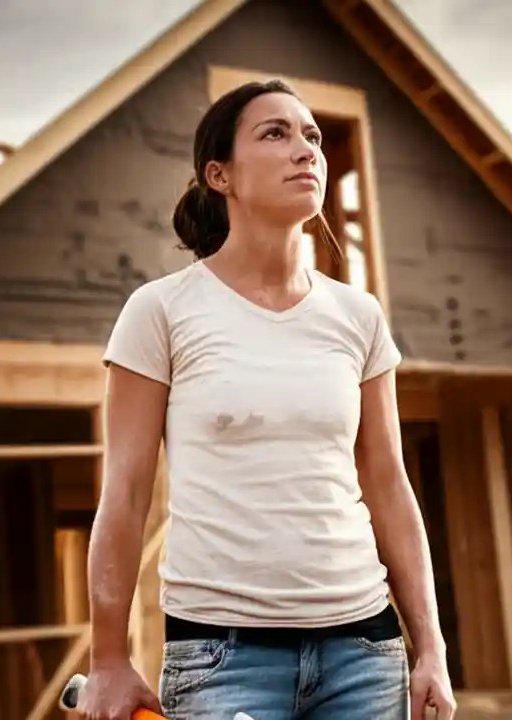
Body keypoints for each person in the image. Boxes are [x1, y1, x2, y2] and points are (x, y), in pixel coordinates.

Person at [78, 79, 455, 720]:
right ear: (219, 175)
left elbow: (389, 484)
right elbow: (125, 491)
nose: (305, 149)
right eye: (275, 133)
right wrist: (109, 658)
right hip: (222, 659)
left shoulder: (358, 315)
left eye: (311, 135)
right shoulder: (161, 311)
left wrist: (431, 648)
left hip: (364, 652)